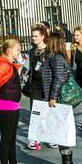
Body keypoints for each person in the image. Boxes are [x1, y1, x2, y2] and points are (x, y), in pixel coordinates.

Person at [36, 29, 77, 164]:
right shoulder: (55, 57)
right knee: (60, 131)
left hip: (57, 99)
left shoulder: (56, 58)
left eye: (48, 41)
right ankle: (66, 163)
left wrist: (52, 97)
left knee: (61, 131)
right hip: (56, 99)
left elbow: (59, 78)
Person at [26, 23, 49, 151]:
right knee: (35, 112)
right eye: (32, 36)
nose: (33, 38)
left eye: (36, 36)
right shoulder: (31, 51)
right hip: (35, 85)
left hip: (47, 84)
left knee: (48, 112)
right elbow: (30, 68)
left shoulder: (49, 50)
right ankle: (34, 139)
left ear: (42, 36)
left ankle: (50, 137)